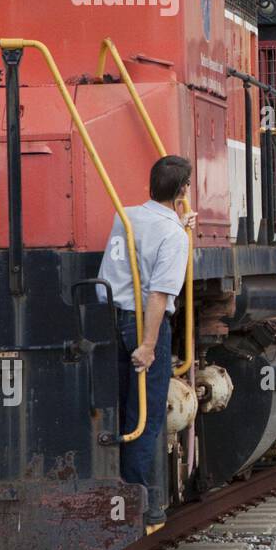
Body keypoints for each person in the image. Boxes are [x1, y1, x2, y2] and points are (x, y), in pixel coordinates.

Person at [97, 156, 196, 526]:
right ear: (183, 189)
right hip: (142, 326)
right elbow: (158, 294)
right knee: (146, 417)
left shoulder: (126, 215)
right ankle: (134, 506)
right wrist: (149, 345)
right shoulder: (173, 236)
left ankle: (113, 496)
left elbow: (145, 240)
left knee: (120, 410)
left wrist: (178, 223)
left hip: (111, 317)